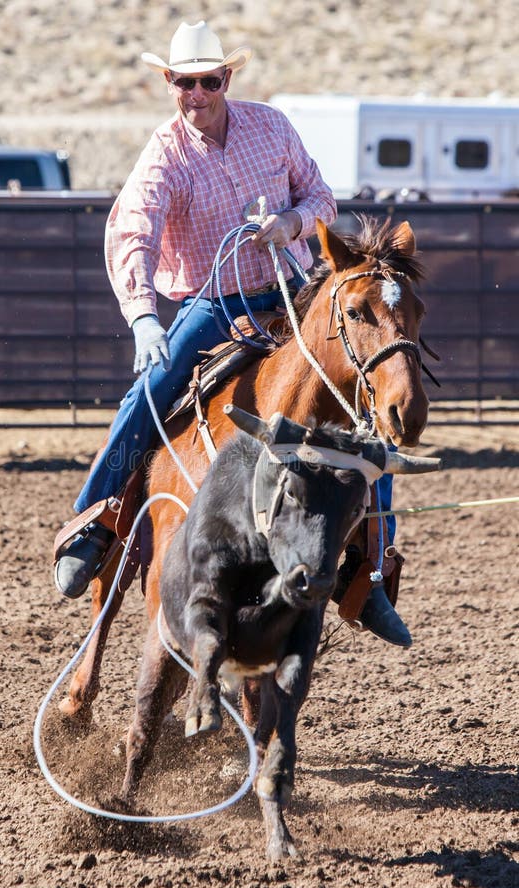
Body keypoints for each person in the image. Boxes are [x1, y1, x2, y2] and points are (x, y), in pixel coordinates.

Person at [53, 20, 411, 647]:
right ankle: (94, 522)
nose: (196, 93)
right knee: (149, 394)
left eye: (207, 80)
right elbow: (134, 231)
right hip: (212, 301)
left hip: (294, 292)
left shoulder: (270, 126)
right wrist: (142, 316)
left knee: (365, 400)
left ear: (227, 79)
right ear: (170, 83)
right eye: (183, 82)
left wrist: (292, 222)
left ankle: (369, 571)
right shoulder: (165, 153)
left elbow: (322, 198)